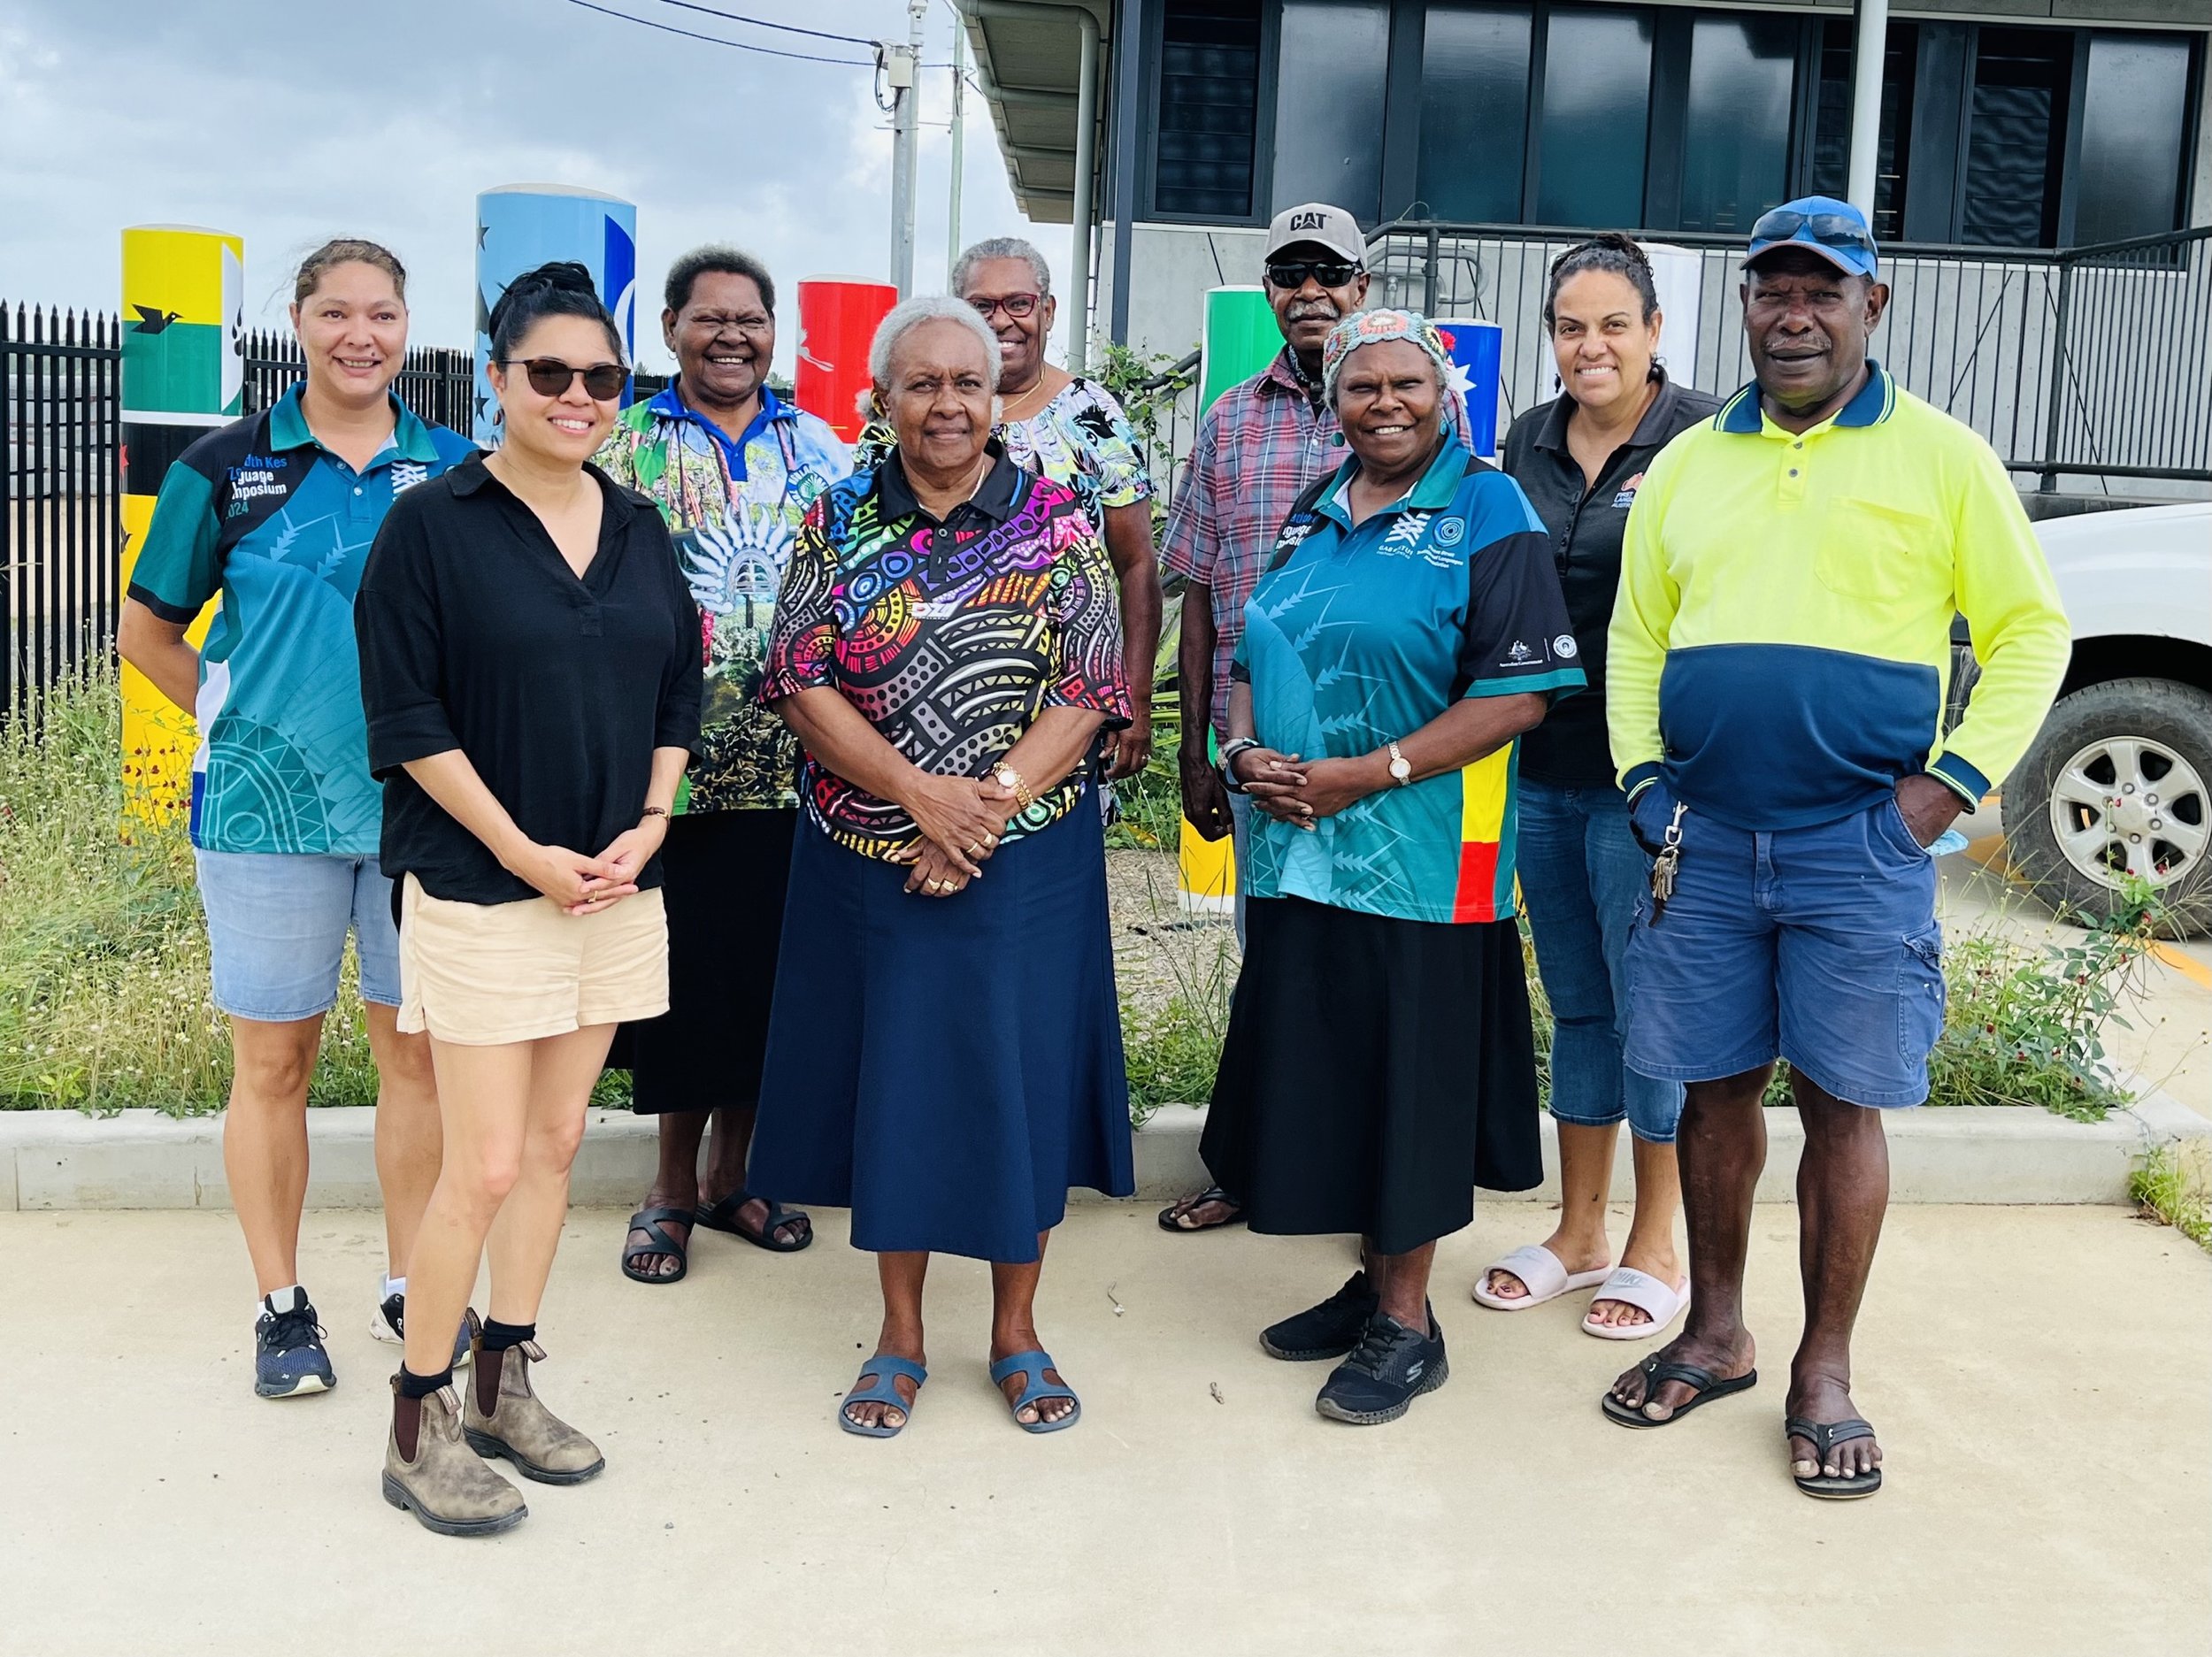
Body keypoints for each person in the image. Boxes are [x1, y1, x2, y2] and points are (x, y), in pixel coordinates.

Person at [1601, 199, 2069, 1498]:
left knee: (1842, 1101)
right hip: (1703, 840)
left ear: (1874, 306)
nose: (1792, 315)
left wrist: (1946, 792)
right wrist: (1645, 779)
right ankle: (1716, 1329)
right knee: (1711, 1090)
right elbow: (1639, 636)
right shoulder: (1692, 461)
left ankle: (1824, 1368)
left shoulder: (1943, 456)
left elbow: (2031, 633)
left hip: (1857, 846)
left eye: (1823, 292)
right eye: (1771, 292)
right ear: (1745, 308)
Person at [748, 295, 1133, 1439]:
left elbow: (1094, 683)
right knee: (898, 1089)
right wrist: (918, 796)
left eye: (968, 382)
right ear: (882, 402)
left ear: (996, 398)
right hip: (870, 859)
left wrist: (984, 810)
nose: (948, 403)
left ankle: (1017, 1330)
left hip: (1029, 862)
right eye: (922, 383)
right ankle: (900, 1336)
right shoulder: (834, 518)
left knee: (1025, 1082)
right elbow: (797, 677)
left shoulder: (1059, 520)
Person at [356, 262, 702, 1535]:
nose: (575, 396)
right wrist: (522, 851)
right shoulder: (430, 527)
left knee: (556, 1148)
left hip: (615, 887)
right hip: (483, 889)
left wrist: (650, 823)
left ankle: (506, 1375)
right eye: (547, 373)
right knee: (485, 1162)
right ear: (498, 380)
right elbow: (406, 720)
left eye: (600, 378)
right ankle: (416, 1415)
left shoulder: (637, 526)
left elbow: (680, 692)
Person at [1202, 310, 1584, 1425]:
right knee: (1339, 1077)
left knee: (1411, 1091)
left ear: (1444, 394)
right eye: (1360, 385)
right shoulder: (1311, 513)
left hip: (1423, 865)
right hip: (1299, 857)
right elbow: (1247, 656)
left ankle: (1408, 1325)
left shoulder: (1485, 506)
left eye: (1405, 383)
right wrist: (1239, 749)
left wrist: (1367, 773)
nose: (1382, 401)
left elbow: (1518, 693)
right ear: (1335, 405)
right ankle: (1371, 1282)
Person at [118, 238, 476, 1400]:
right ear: (300, 321)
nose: (358, 333)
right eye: (335, 312)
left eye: (380, 312)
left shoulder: (461, 470)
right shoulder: (225, 468)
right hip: (268, 820)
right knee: (273, 1065)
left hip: (425, 818)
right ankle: (281, 1308)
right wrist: (242, 727)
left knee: (416, 1062)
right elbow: (149, 634)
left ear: (407, 329)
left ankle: (409, 1283)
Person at [1478, 235, 1720, 1339]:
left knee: (1652, 1010)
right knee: (1576, 1002)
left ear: (1655, 330)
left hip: (1655, 782)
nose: (1591, 346)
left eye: (1613, 324)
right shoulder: (1522, 441)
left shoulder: (1709, 441)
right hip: (1543, 766)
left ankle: (1655, 1242)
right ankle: (1577, 1231)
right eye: (1570, 326)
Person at [594, 245, 849, 1284]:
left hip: (800, 766)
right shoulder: (622, 447)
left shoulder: (823, 448)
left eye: (751, 319)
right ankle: (667, 1187)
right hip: (667, 769)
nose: (732, 336)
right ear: (670, 330)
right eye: (710, 319)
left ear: (772, 332)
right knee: (675, 980)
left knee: (764, 980)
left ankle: (737, 1174)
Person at [1154, 201, 1371, 1237]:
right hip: (1260, 751)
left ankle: (1364, 1173)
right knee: (1271, 961)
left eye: (1330, 270)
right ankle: (1249, 1164)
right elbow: (1196, 593)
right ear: (1271, 291)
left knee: (1373, 965)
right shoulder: (1233, 418)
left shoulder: (1407, 406)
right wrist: (1197, 753)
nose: (1310, 290)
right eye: (1291, 273)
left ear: (1361, 288)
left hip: (1384, 752)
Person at [854, 235, 1162, 784]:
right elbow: (857, 551)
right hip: (911, 716)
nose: (1002, 321)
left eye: (1018, 304)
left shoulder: (1093, 415)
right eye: (982, 307)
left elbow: (1136, 563)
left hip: (1067, 706)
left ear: (1047, 310)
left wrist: (1132, 695)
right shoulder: (900, 421)